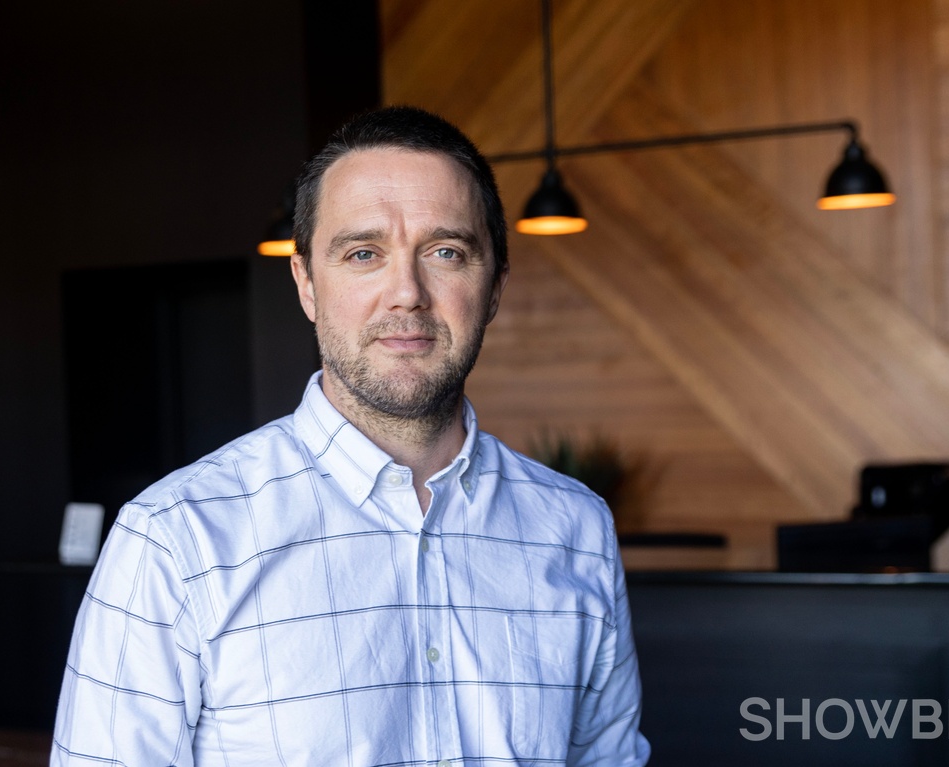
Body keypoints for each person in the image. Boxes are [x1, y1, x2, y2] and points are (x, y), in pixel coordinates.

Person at [52, 106, 650, 766]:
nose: (407, 293)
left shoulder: (575, 527)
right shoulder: (173, 539)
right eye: (364, 253)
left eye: (446, 252)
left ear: (495, 286)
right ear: (307, 284)